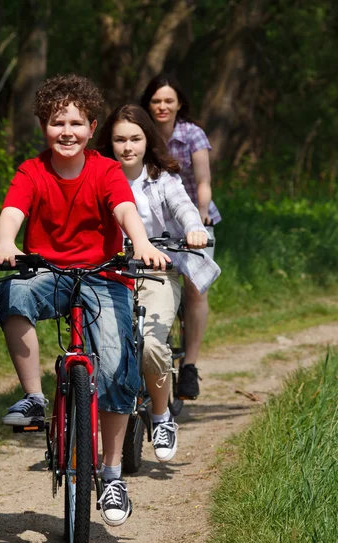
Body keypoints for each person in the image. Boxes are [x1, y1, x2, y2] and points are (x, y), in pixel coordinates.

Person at [0, 75, 170, 526]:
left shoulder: (104, 170)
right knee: (13, 293)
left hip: (104, 276)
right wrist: (8, 243)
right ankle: (32, 399)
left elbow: (124, 208)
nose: (66, 131)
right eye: (55, 122)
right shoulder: (32, 171)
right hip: (47, 270)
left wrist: (140, 243)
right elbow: (13, 211)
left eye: (75, 123)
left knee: (116, 364)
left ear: (91, 127)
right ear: (43, 126)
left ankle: (111, 473)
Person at [97, 104, 220, 462]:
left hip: (157, 272)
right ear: (110, 142)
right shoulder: (98, 174)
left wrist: (195, 228)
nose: (127, 146)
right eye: (119, 139)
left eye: (135, 138)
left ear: (147, 140)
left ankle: (162, 415)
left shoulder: (163, 179)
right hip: (107, 272)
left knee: (151, 344)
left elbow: (183, 207)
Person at [140, 73, 222, 400]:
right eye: (156, 101)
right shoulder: (141, 134)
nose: (162, 107)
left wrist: (200, 217)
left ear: (179, 104)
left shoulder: (193, 135)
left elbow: (203, 181)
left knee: (195, 288)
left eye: (168, 101)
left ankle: (189, 365)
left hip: (191, 222)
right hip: (155, 219)